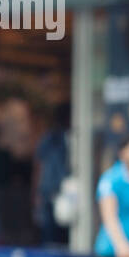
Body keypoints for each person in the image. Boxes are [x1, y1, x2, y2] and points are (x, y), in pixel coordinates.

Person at [33, 102, 71, 247]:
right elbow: (39, 166)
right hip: (49, 191)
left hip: (66, 191)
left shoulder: (75, 136)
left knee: (64, 235)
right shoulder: (51, 138)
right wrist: (36, 193)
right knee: (50, 236)